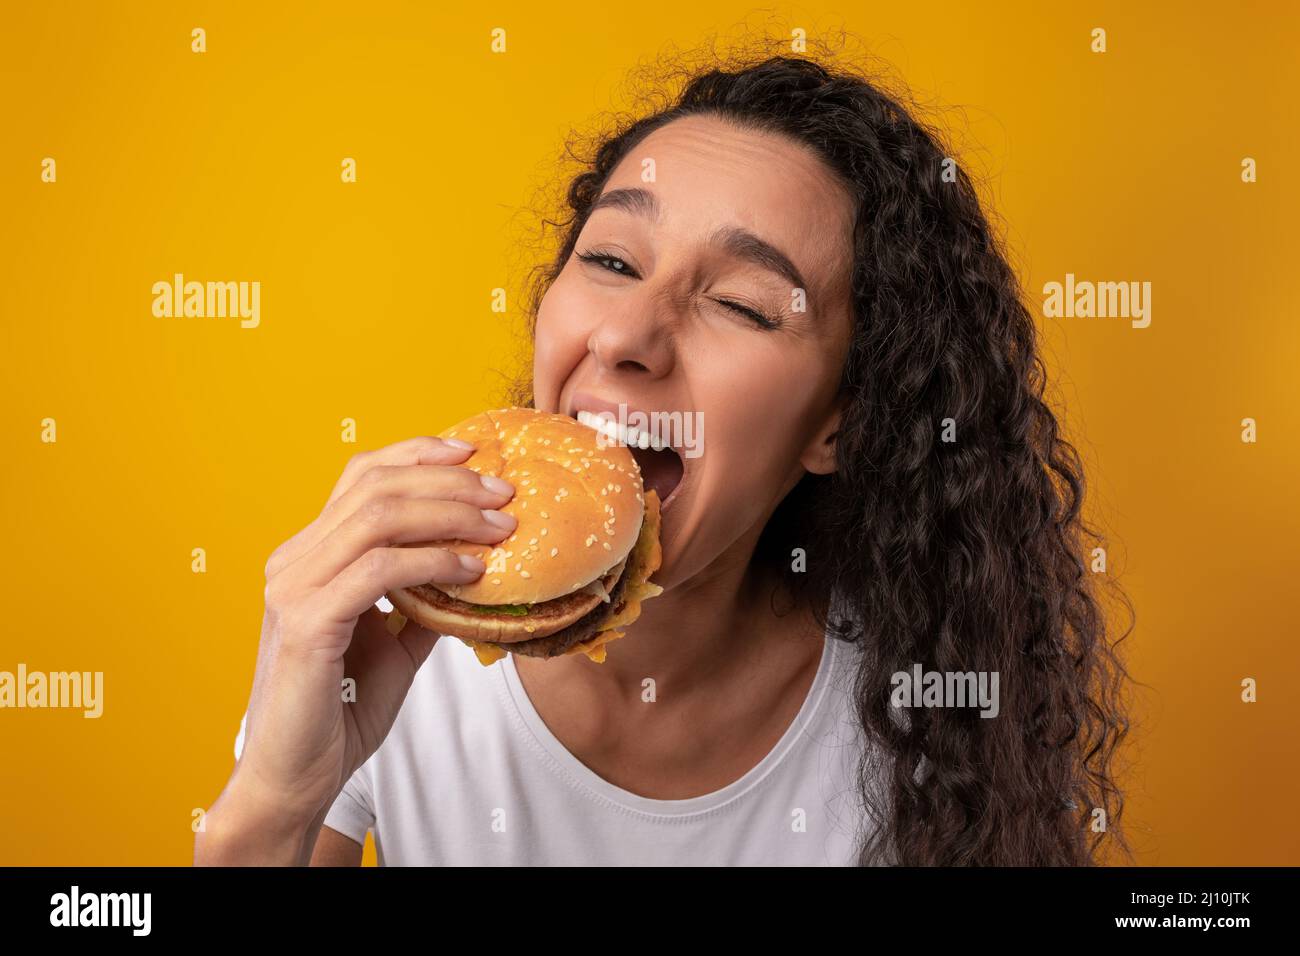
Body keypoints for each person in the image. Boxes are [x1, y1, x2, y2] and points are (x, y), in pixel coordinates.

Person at [195, 51, 1132, 867]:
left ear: (839, 424)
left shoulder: (924, 711)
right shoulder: (390, 648)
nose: (625, 336)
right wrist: (275, 801)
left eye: (743, 305)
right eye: (611, 261)